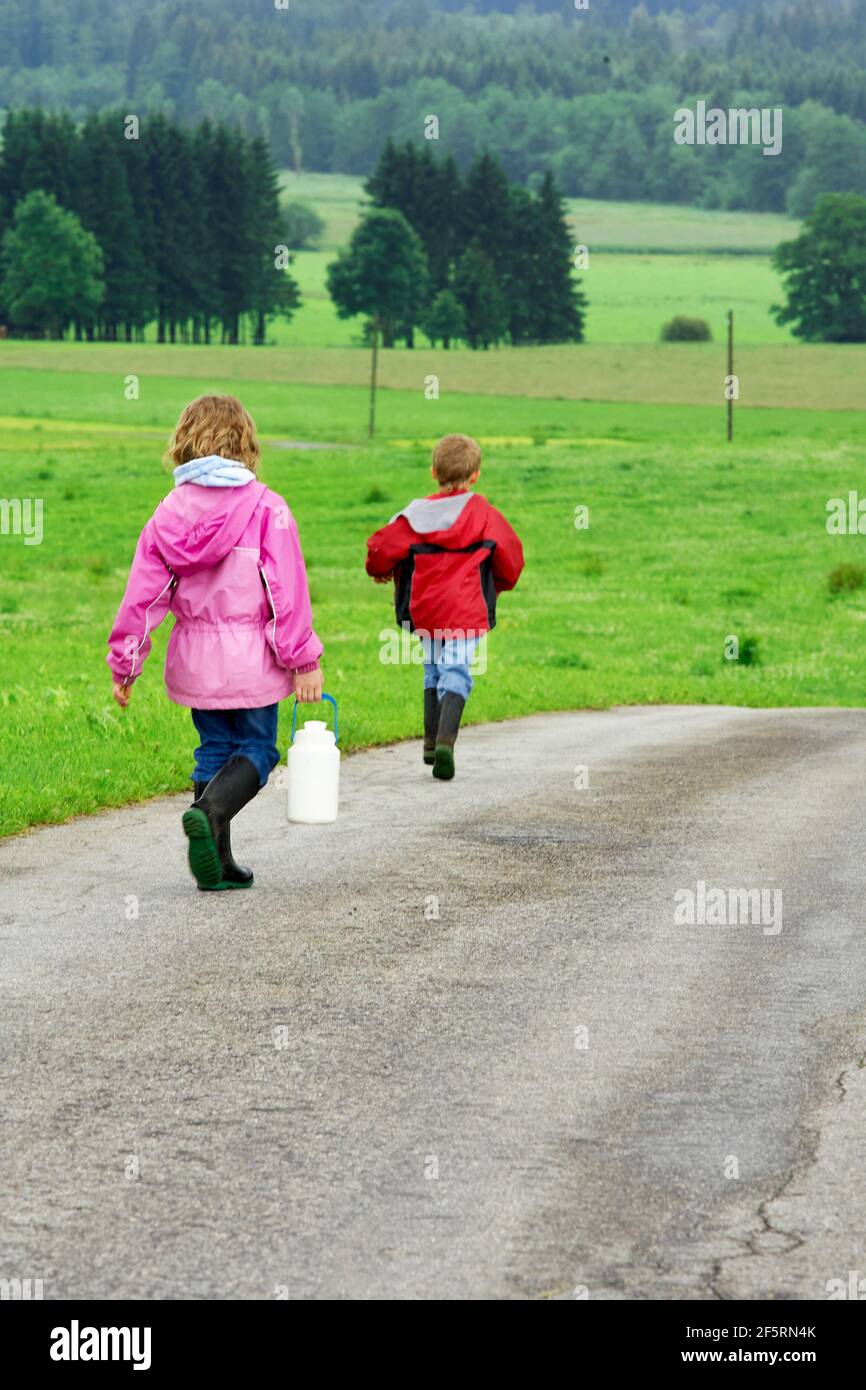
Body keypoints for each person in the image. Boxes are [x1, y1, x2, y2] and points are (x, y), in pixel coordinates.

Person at [107, 394, 322, 890]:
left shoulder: (167, 514)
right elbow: (286, 590)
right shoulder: (268, 508)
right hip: (252, 662)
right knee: (258, 749)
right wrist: (303, 658)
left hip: (196, 661)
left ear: (183, 443)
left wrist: (127, 663)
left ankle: (218, 864)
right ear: (246, 443)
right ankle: (207, 813)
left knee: (214, 748)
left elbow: (144, 596)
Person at [366, 433, 524, 780]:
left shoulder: (415, 514)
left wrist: (380, 571)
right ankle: (445, 745)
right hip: (466, 610)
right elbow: (512, 557)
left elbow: (380, 546)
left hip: (426, 609)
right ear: (475, 475)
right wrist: (498, 586)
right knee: (457, 670)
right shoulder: (485, 515)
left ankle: (429, 744)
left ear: (433, 471)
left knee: (433, 668)